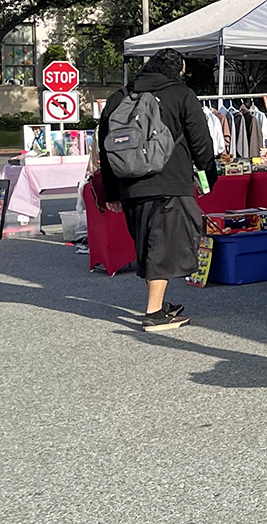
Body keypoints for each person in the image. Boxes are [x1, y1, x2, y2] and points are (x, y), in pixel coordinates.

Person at [98, 48, 217, 332]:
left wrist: (111, 192)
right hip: (171, 182)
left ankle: (158, 303)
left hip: (129, 186)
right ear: (178, 70)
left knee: (147, 245)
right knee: (164, 247)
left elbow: (105, 147)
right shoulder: (182, 95)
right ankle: (154, 313)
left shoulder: (120, 97)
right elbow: (201, 142)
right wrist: (208, 176)